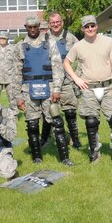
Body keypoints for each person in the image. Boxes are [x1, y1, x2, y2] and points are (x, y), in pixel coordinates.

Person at [63, 14, 112, 164]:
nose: (90, 29)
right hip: (89, 89)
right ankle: (94, 152)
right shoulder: (78, 46)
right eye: (87, 26)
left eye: (92, 25)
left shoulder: (108, 42)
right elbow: (66, 63)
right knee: (91, 121)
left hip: (108, 87)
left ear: (96, 26)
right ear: (82, 29)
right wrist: (76, 79)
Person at [13, 15, 70, 165]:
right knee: (32, 124)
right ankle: (37, 157)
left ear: (39, 26)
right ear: (26, 28)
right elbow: (16, 74)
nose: (32, 30)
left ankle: (64, 157)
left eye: (35, 26)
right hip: (28, 90)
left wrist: (57, 89)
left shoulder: (50, 43)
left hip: (49, 89)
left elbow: (58, 68)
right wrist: (18, 96)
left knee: (56, 122)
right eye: (29, 27)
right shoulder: (20, 46)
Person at [46, 12, 82, 149]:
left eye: (58, 22)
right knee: (50, 112)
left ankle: (75, 139)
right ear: (49, 24)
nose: (55, 24)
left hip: (67, 82)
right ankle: (49, 140)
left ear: (62, 22)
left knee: (70, 112)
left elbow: (82, 55)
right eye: (52, 22)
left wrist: (76, 75)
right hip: (50, 81)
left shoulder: (71, 38)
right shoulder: (44, 38)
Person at [0, 31, 21, 111]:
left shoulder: (12, 48)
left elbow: (16, 63)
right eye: (1, 38)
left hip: (10, 78)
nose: (2, 40)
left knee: (12, 98)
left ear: (7, 39)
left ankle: (14, 115)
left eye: (4, 38)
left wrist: (15, 76)